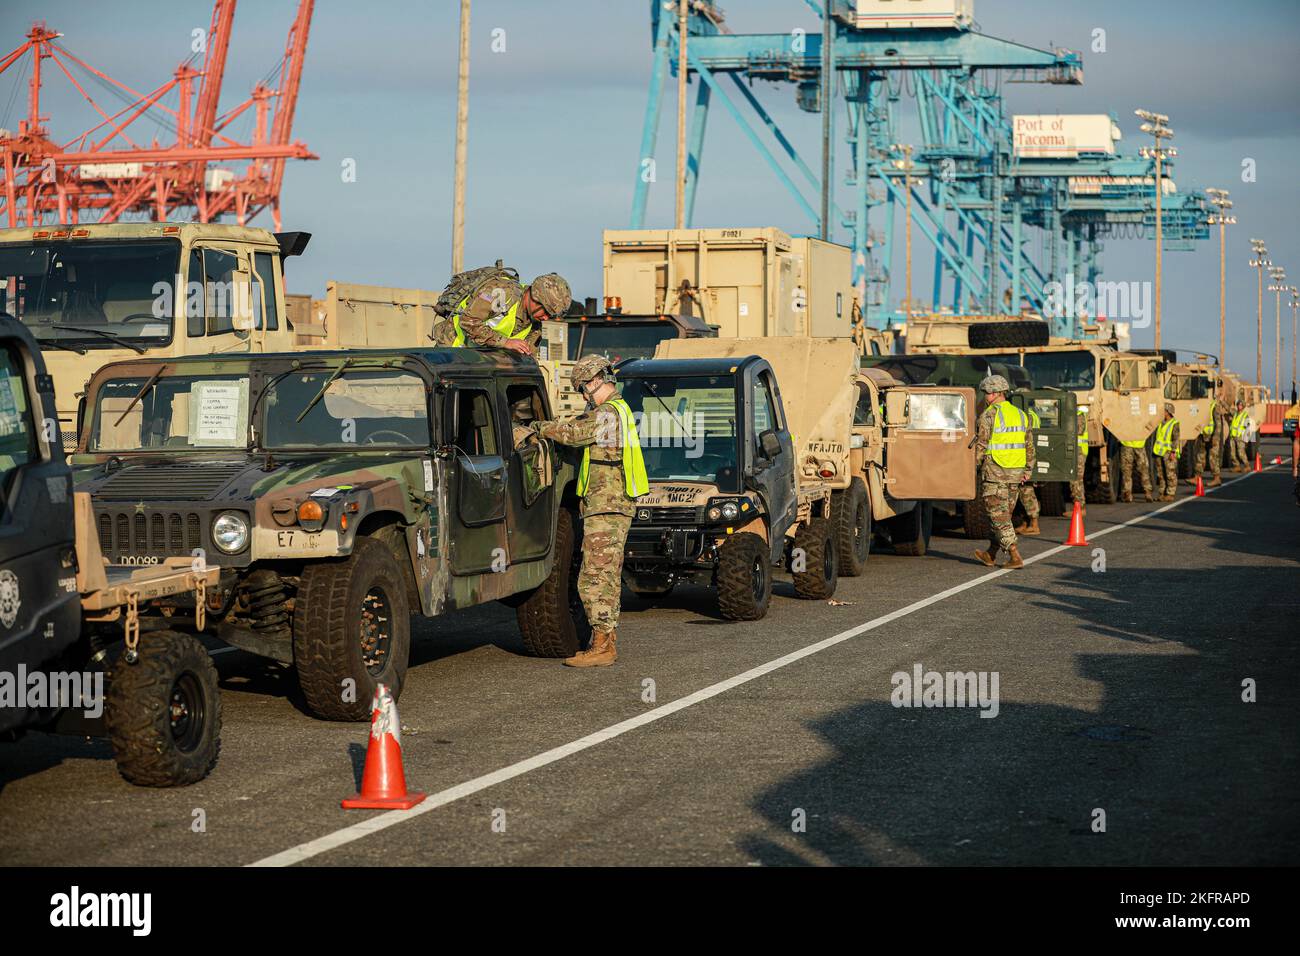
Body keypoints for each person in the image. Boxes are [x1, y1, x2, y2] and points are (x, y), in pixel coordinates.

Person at [531, 355, 648, 667]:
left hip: (609, 506)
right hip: (607, 505)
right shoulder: (613, 410)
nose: (583, 395)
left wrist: (539, 428)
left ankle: (603, 646)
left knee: (595, 577)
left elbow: (574, 434)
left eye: (583, 387)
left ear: (596, 380)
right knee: (603, 575)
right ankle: (603, 642)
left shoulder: (610, 412)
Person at [973, 375, 1034, 570]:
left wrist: (971, 469)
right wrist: (1028, 470)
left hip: (995, 474)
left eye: (988, 393)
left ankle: (1015, 555)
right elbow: (1029, 446)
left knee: (999, 517)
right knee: (1001, 516)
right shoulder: (1021, 415)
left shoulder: (988, 416)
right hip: (1015, 474)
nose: (986, 396)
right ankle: (990, 554)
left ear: (997, 393)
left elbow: (980, 446)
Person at [434, 271, 571, 354]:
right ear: (535, 297)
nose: (546, 318)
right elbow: (468, 321)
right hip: (452, 349)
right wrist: (505, 342)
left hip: (479, 362)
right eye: (546, 311)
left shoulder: (535, 326)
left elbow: (527, 358)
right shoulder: (501, 293)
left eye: (551, 316)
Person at [1014, 405, 1042, 536]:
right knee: (1022, 493)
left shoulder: (1025, 415)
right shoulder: (1032, 414)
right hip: (1023, 457)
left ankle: (1034, 524)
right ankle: (1025, 524)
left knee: (1027, 493)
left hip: (1025, 458)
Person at [1152, 402, 1180, 501]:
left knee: (1170, 473)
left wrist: (1173, 452)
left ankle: (1170, 494)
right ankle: (1162, 493)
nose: (1161, 412)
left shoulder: (1174, 423)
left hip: (1168, 452)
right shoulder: (1161, 422)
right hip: (1159, 452)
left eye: (1163, 411)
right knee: (1161, 474)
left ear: (1168, 412)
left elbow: (1176, 438)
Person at [1118, 430, 1155, 503]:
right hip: (1139, 444)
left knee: (1126, 471)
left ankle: (1128, 493)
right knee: (1144, 470)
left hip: (1126, 444)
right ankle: (1148, 492)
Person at [1069, 406, 1089, 515]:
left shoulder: (1079, 416)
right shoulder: (1077, 415)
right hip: (1077, 451)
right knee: (1076, 480)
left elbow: (1078, 431)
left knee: (1076, 479)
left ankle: (1080, 507)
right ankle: (1079, 507)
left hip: (1079, 451)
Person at [1227, 400, 1251, 471]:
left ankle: (1247, 466)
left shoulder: (1245, 415)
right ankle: (1236, 466)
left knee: (1241, 453)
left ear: (1243, 406)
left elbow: (1248, 428)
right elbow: (1228, 409)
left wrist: (1246, 439)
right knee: (1232, 453)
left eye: (1240, 405)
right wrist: (1222, 402)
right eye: (1238, 405)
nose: (1239, 406)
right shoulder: (1235, 413)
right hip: (1233, 436)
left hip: (1240, 437)